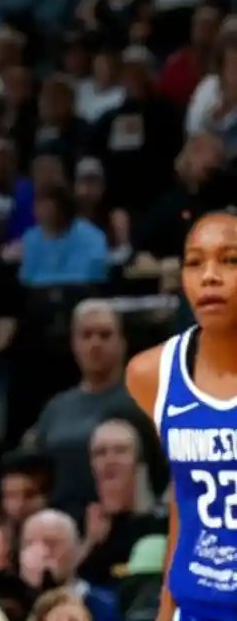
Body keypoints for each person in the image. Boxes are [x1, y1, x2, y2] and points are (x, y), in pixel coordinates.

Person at [125, 209, 237, 621]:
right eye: (194, 262)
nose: (209, 276)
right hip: (194, 606)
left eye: (230, 260)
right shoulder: (152, 373)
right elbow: (184, 498)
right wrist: (165, 609)